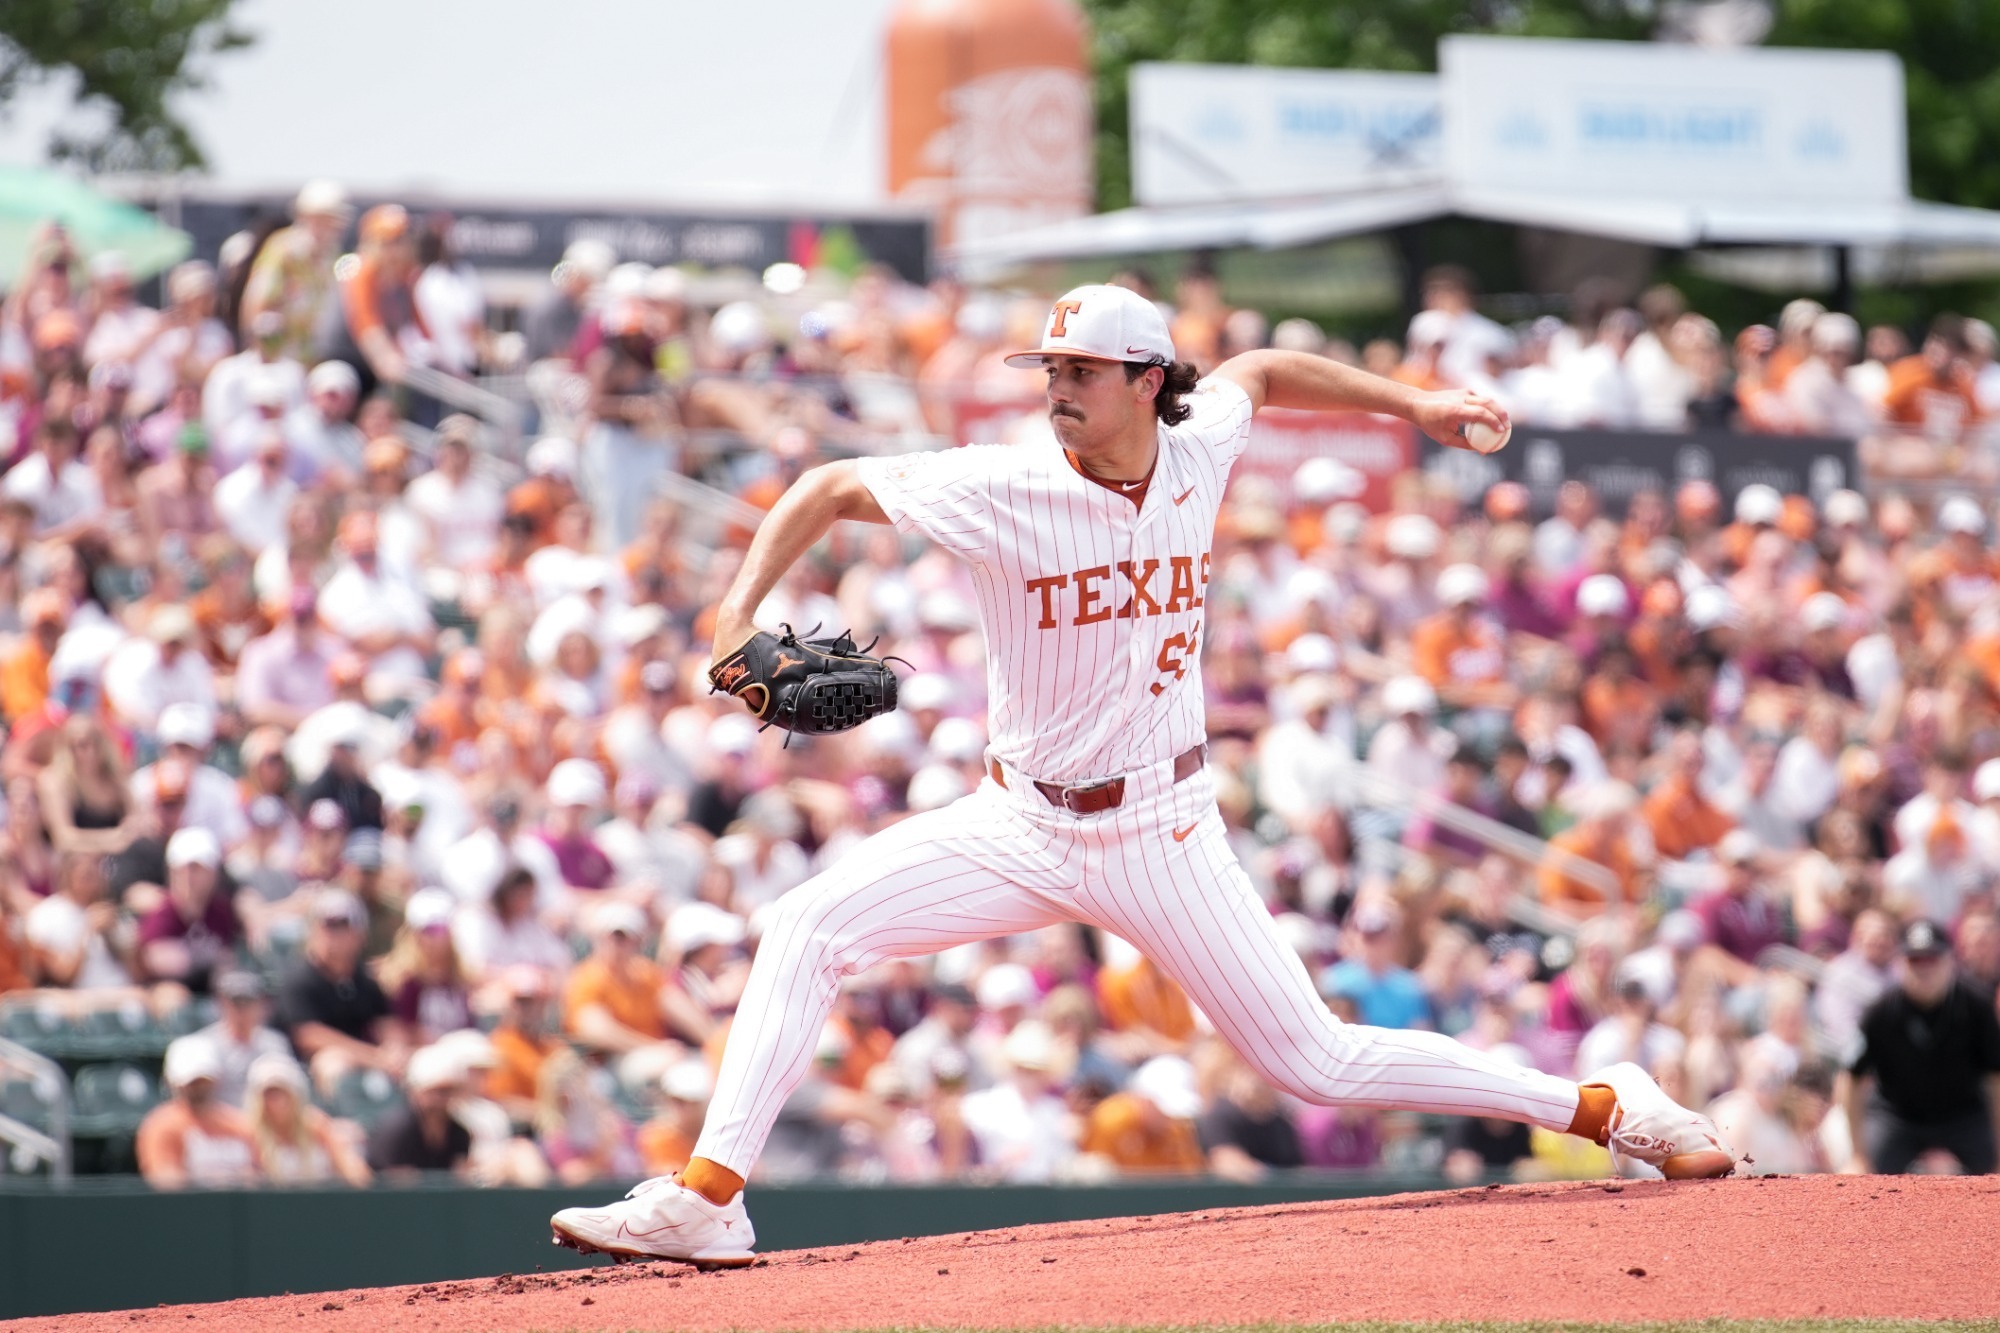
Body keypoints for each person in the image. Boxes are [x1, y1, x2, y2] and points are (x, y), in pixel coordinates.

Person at [551, 282, 1735, 1266]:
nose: (1056, 387)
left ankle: (1604, 1107)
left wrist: (1411, 402)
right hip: (1017, 822)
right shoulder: (1003, 485)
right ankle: (709, 1197)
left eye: (1081, 370)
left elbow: (1262, 367)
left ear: (1148, 381)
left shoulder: (1199, 443)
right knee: (806, 924)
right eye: (1049, 369)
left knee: (1314, 1061)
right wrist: (734, 611)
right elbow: (826, 486)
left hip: (1161, 825)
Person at [1837, 919, 2000, 1176]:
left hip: (1964, 1116)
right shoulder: (1881, 1012)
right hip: (1898, 1118)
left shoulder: (1976, 1007)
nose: (1924, 968)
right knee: (1859, 1178)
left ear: (1950, 961)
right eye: (1915, 959)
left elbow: (1995, 1078)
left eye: (1932, 959)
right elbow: (1850, 1077)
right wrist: (1857, 1155)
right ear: (1900, 963)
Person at [276, 888, 408, 1088]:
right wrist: (372, 1057)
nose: (333, 935)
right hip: (305, 1068)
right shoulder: (299, 978)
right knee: (334, 1063)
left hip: (365, 1057)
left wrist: (395, 1052)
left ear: (361, 934)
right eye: (328, 926)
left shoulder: (363, 978)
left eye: (342, 926)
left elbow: (386, 1023)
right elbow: (308, 1035)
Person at [136, 1036, 261, 1189]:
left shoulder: (240, 1124)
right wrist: (218, 1180)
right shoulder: (161, 1125)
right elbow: (165, 1180)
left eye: (202, 1080)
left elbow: (261, 1176)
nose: (198, 1087)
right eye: (191, 1082)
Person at [245, 1052, 372, 1186]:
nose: (277, 1101)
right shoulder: (252, 1132)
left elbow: (353, 1170)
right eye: (269, 1094)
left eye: (282, 1092)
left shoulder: (316, 1124)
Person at [366, 1044, 472, 1177]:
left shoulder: (459, 1133)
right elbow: (390, 1182)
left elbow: (459, 1177)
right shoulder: (396, 1130)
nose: (443, 1098)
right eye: (437, 1091)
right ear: (415, 1091)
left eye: (449, 1091)